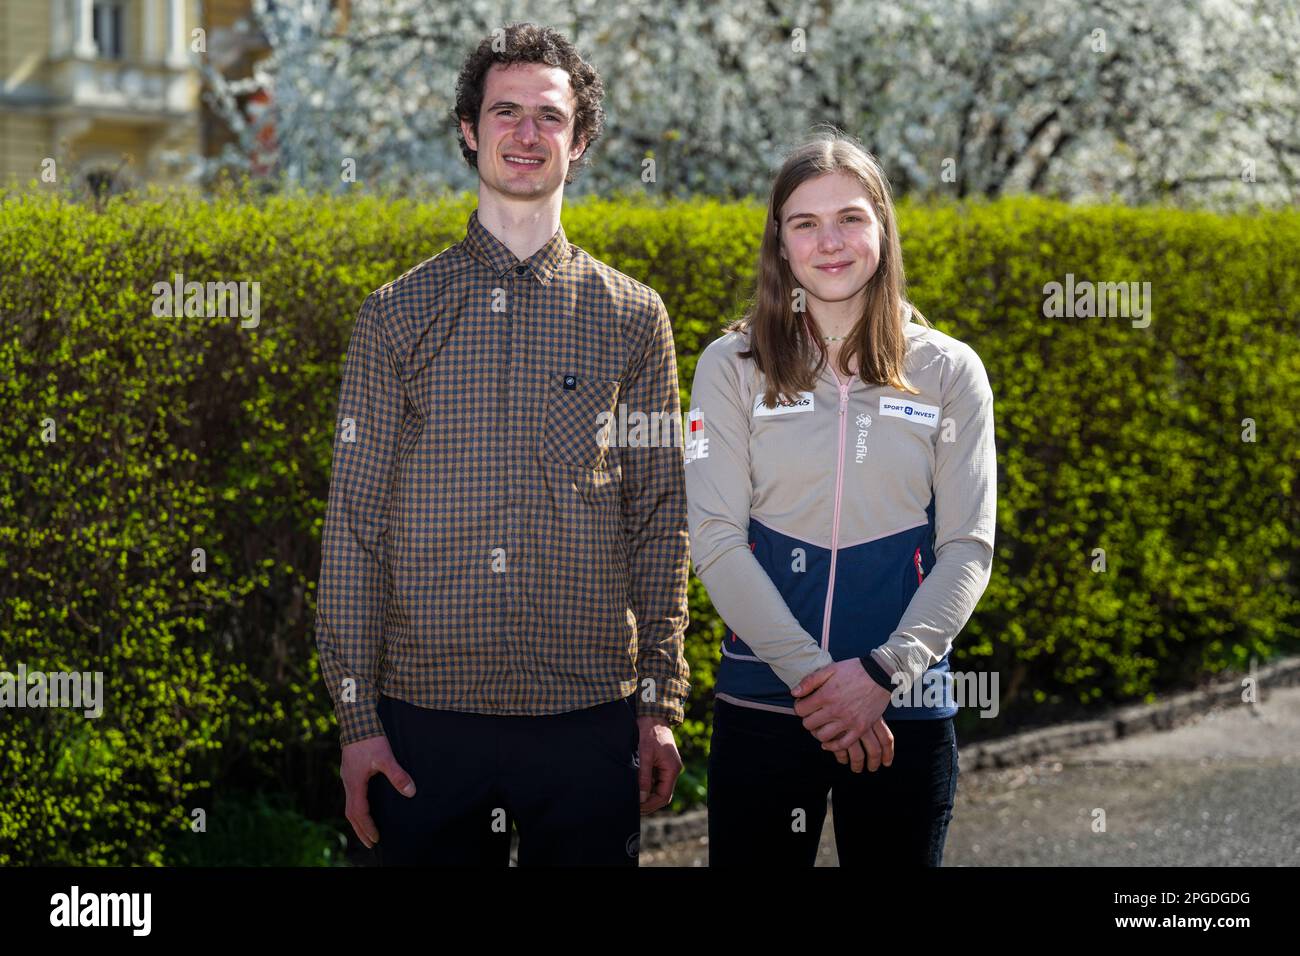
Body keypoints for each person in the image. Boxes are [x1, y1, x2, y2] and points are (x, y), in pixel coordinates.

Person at [314, 23, 690, 867]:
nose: (527, 134)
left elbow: (661, 517)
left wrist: (658, 700)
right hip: (425, 723)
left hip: (589, 716)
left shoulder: (634, 319)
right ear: (468, 131)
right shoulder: (396, 317)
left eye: (548, 117)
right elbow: (355, 528)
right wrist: (357, 723)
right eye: (505, 112)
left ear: (580, 139)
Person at [684, 130, 997, 866]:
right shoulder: (728, 367)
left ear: (882, 230)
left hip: (905, 708)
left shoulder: (951, 371)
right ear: (781, 244)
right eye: (805, 222)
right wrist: (822, 684)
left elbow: (967, 548)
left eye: (850, 218)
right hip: (765, 705)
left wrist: (883, 674)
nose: (830, 242)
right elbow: (717, 540)